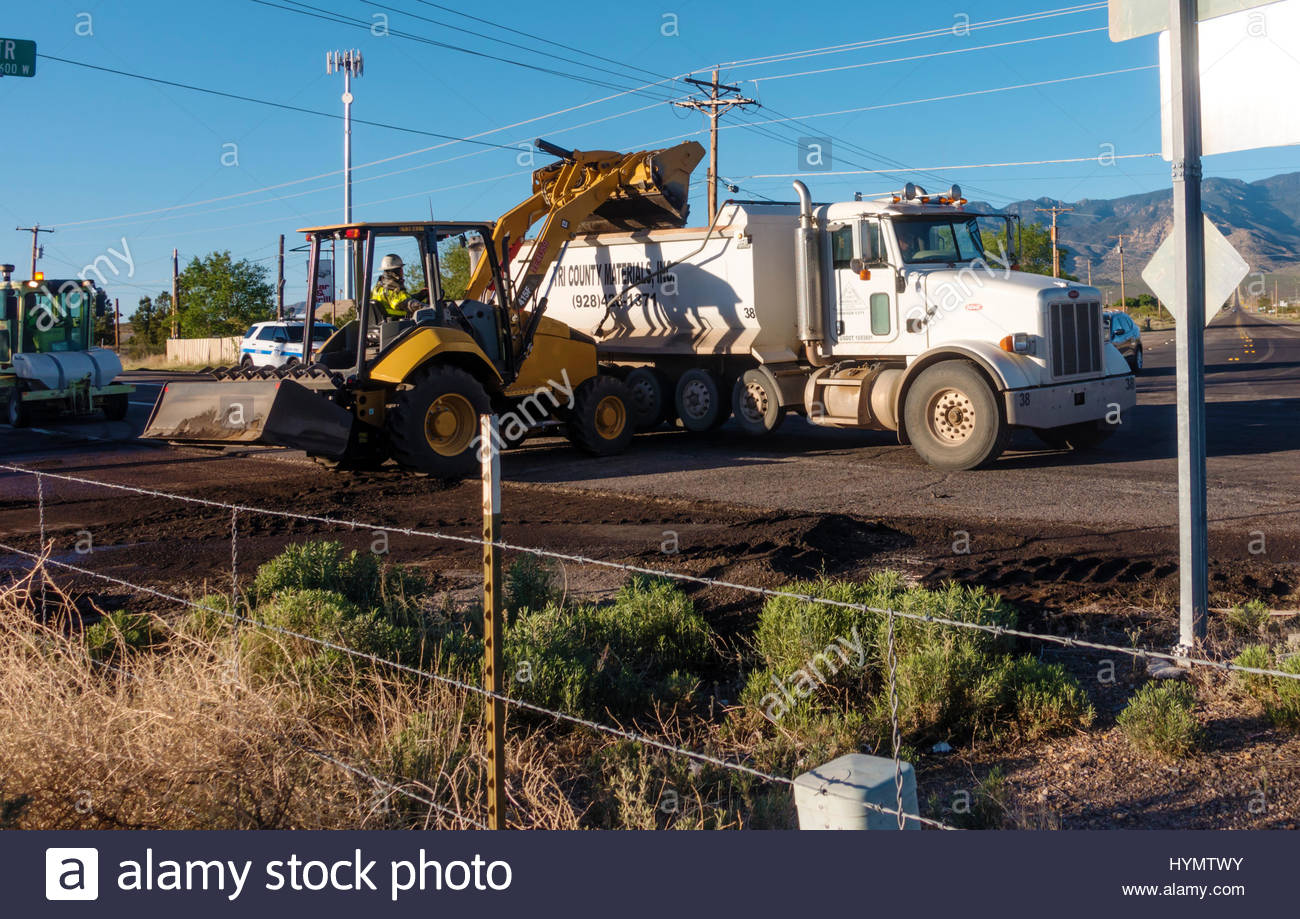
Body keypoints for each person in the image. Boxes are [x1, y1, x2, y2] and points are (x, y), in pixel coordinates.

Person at [371, 254, 423, 318]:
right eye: (401, 268)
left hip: (389, 322)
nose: (402, 271)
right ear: (395, 272)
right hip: (399, 322)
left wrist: (420, 295)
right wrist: (422, 306)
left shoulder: (378, 288)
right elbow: (402, 303)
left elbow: (404, 298)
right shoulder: (392, 288)